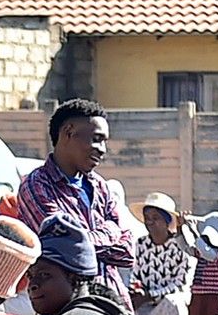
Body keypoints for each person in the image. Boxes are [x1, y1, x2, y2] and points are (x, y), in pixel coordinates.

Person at [10, 99, 135, 284]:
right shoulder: (37, 186)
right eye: (96, 139)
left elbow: (127, 252)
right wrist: (111, 230)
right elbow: (69, 247)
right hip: (69, 300)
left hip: (113, 296)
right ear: (68, 132)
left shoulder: (100, 186)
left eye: (104, 142)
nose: (102, 150)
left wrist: (87, 239)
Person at [130, 193, 195, 315]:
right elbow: (136, 274)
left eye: (155, 218)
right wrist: (136, 291)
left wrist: (150, 296)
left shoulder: (179, 245)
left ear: (167, 221)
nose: (150, 222)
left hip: (169, 299)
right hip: (145, 300)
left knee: (172, 303)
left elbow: (180, 284)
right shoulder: (141, 244)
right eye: (147, 218)